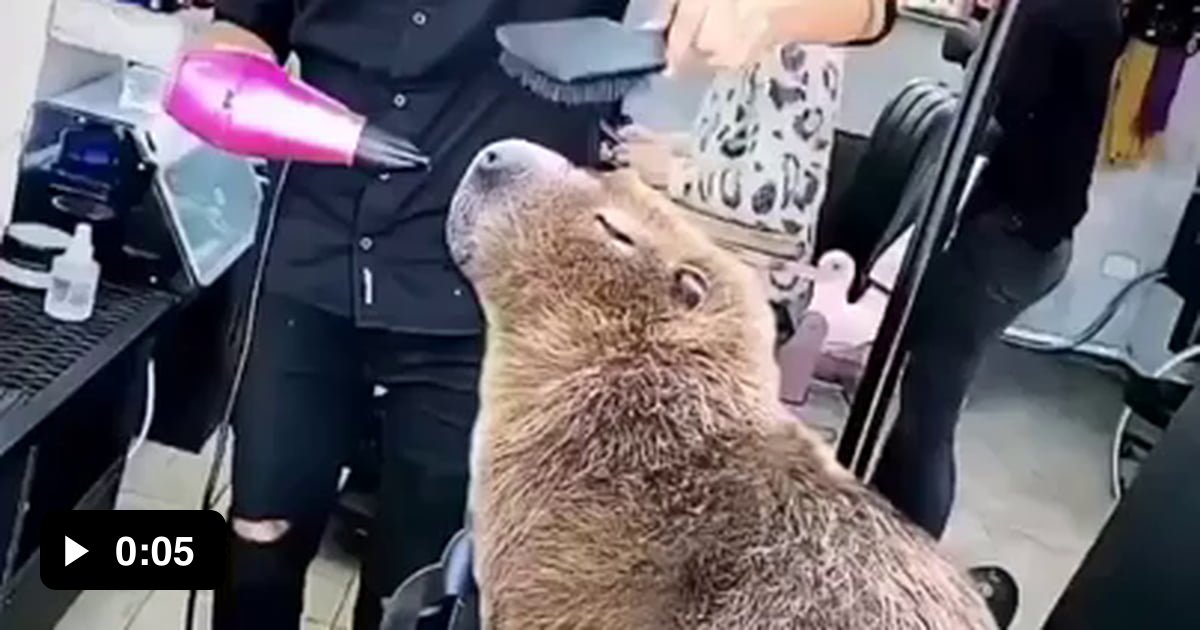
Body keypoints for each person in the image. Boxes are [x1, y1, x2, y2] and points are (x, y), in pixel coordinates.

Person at [204, 2, 630, 629]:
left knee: (419, 582)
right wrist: (225, 78)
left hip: (484, 288)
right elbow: (243, 26)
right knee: (260, 535)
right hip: (308, 251)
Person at [871, 0, 1125, 539]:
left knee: (928, 412)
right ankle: (882, 531)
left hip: (1010, 239)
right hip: (1030, 234)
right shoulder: (1087, 10)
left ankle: (907, 558)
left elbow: (1002, 103)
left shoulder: (1058, 11)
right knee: (922, 396)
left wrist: (974, 42)